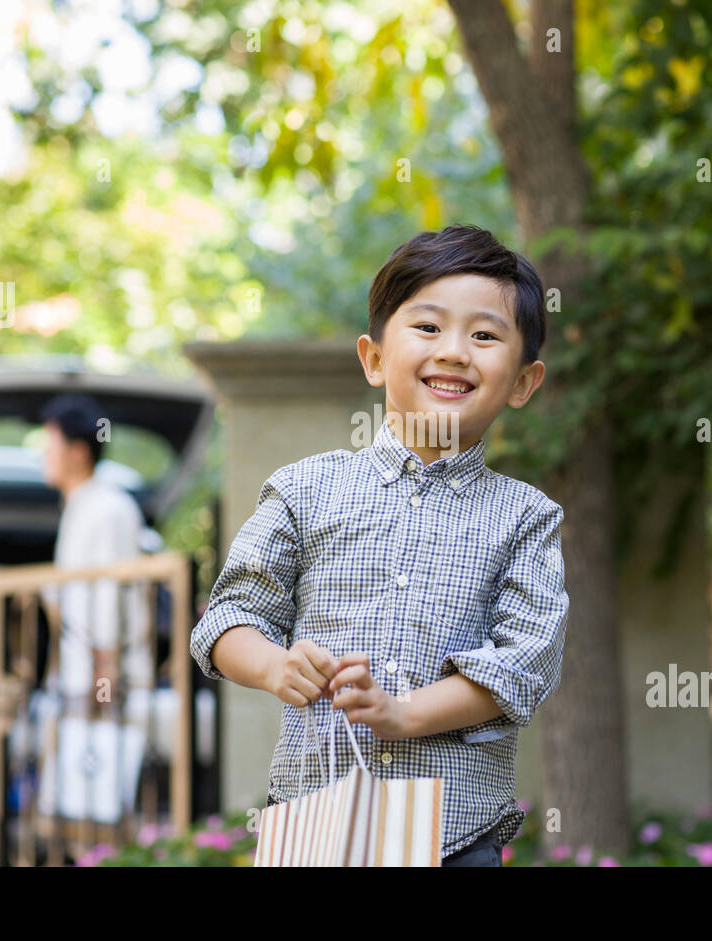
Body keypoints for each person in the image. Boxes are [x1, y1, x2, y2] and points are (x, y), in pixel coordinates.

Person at [190, 223, 570, 867]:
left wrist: (404, 713)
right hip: (318, 826)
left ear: (523, 382)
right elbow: (227, 622)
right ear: (372, 358)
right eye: (427, 327)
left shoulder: (527, 517)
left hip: (457, 834)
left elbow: (521, 664)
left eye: (484, 335)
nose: (454, 351)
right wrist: (276, 666)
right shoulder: (304, 489)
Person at [38, 394, 150, 715]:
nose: (44, 455)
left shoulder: (106, 508)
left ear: (78, 452)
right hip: (79, 676)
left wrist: (104, 672)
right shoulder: (81, 506)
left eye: (51, 444)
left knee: (100, 760)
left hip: (101, 679)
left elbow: (107, 592)